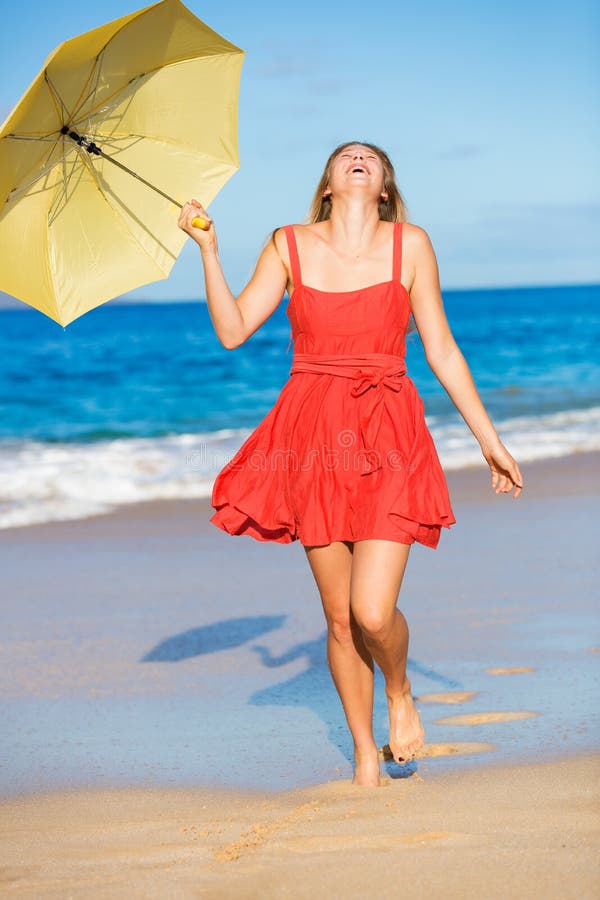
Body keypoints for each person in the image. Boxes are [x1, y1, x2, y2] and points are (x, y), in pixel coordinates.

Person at [178, 141, 524, 787]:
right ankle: (365, 753)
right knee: (338, 617)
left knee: (371, 611)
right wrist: (209, 252)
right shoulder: (288, 242)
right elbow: (232, 331)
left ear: (385, 187)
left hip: (390, 429)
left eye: (371, 157)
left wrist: (489, 439)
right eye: (346, 157)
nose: (358, 160)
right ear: (329, 185)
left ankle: (398, 689)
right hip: (310, 434)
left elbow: (443, 350)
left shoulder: (410, 245)